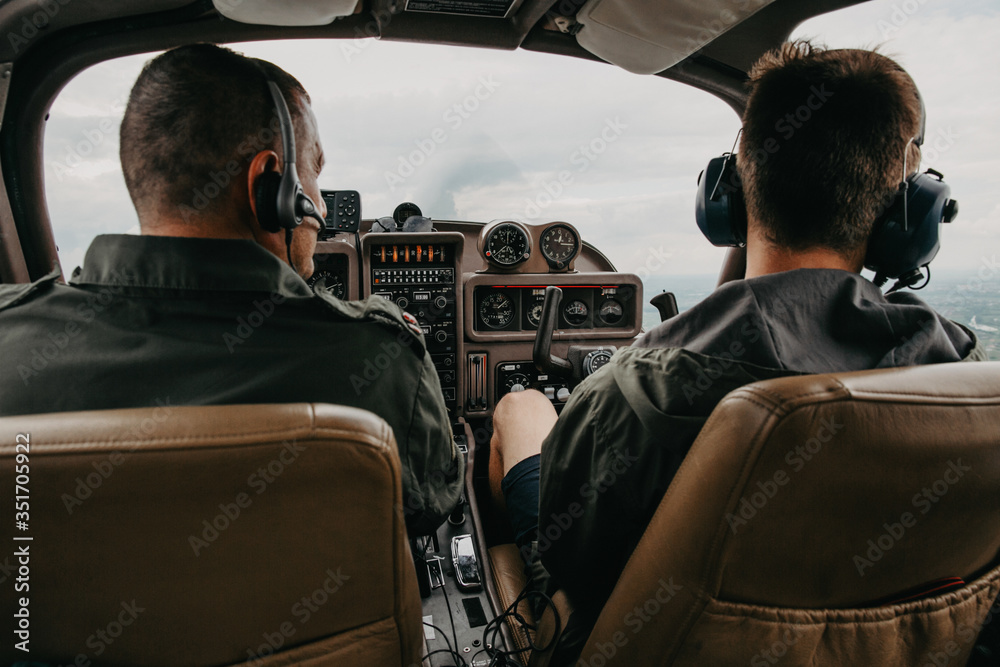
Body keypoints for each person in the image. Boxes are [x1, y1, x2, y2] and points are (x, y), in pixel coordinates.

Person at [489, 40, 985, 645]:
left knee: (522, 409)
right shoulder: (959, 370)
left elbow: (573, 563)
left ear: (724, 197)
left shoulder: (636, 389)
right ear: (908, 220)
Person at [0, 44, 463, 537]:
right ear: (270, 187)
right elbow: (432, 505)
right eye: (315, 175)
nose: (323, 211)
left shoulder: (10, 342)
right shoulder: (380, 361)